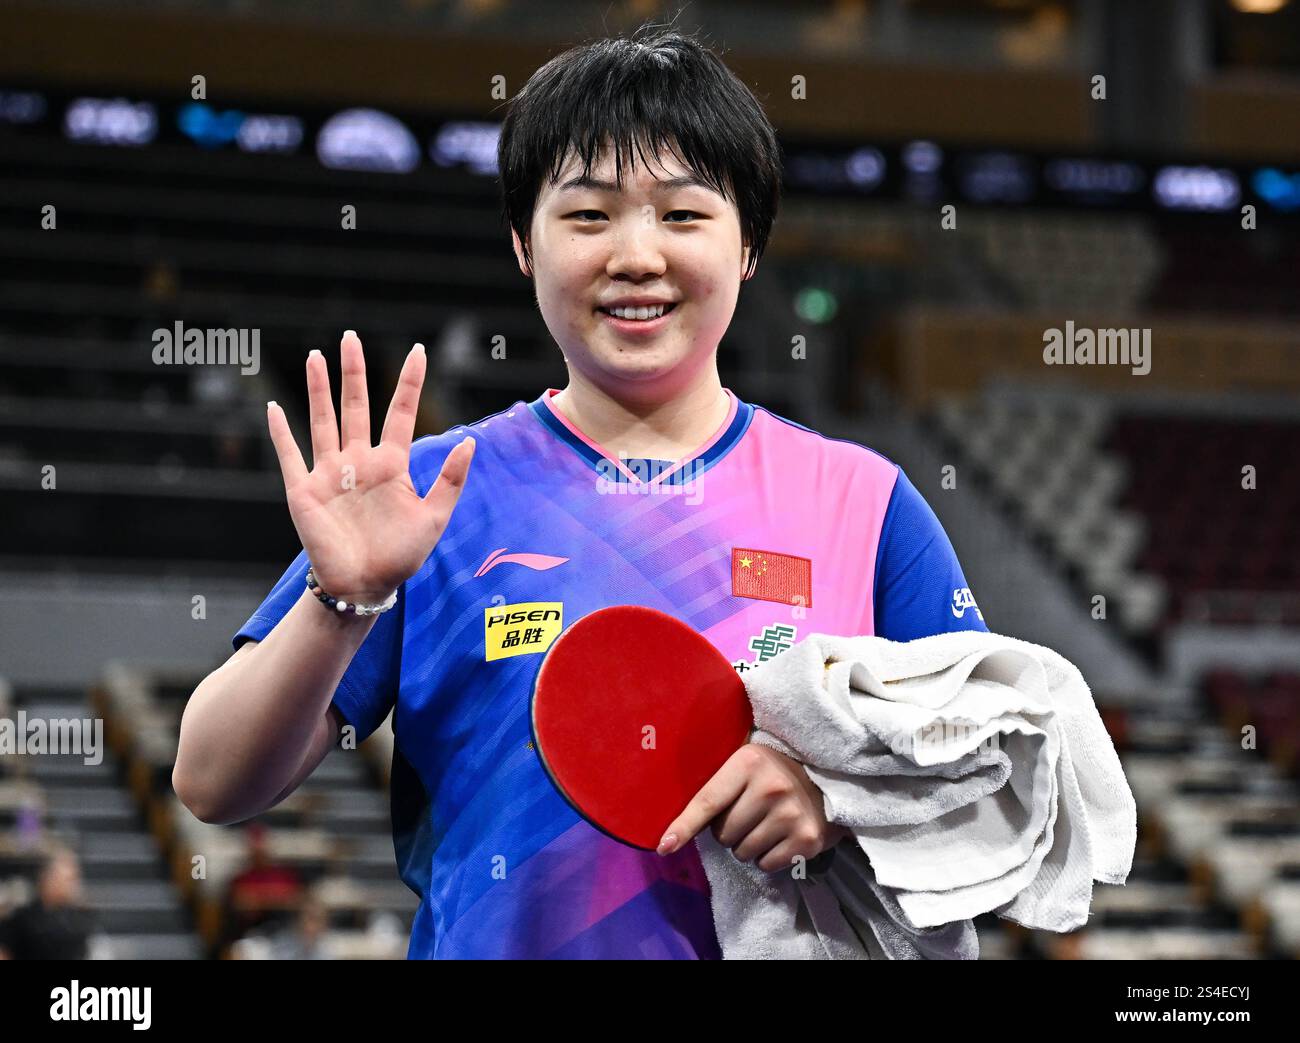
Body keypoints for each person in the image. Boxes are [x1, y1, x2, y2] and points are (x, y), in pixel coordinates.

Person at [173, 24, 987, 960]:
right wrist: (341, 601)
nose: (636, 256)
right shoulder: (435, 495)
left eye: (683, 216)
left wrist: (842, 801)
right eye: (589, 216)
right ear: (525, 244)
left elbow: (991, 778)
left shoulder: (866, 503)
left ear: (749, 245)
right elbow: (211, 780)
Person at [0, 847, 97, 961]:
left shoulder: (79, 919)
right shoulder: (23, 916)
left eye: (74, 879)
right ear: (47, 878)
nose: (72, 886)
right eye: (67, 879)